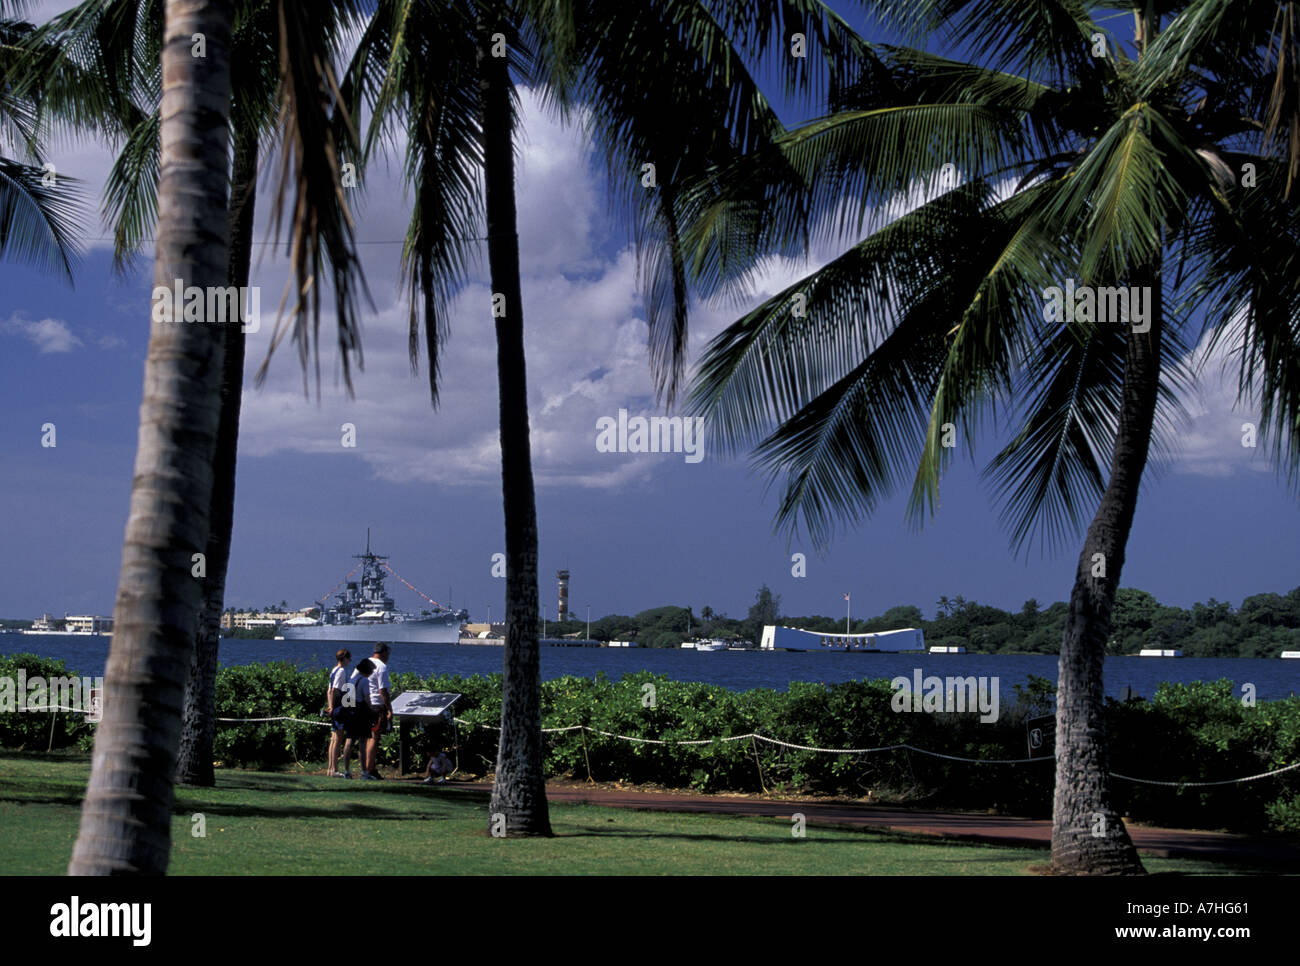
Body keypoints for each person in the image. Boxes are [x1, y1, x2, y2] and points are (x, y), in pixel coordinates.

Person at [341, 658, 375, 778]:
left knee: (349, 742)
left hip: (350, 713)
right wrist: (372, 710)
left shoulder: (352, 679)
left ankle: (346, 771)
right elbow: (367, 698)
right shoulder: (365, 680)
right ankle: (364, 771)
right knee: (362, 743)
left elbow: (347, 698)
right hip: (361, 714)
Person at [363, 643, 393, 780]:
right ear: (384, 653)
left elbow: (351, 683)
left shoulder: (363, 663)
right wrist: (389, 709)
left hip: (363, 705)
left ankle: (367, 768)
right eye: (388, 653)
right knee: (374, 738)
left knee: (366, 738)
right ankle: (370, 769)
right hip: (376, 706)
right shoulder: (381, 667)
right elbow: (383, 691)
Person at [326, 649, 352, 777]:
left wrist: (329, 705)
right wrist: (333, 706)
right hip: (339, 705)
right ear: (344, 658)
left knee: (333, 738)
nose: (350, 661)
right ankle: (334, 769)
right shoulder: (341, 671)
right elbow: (335, 690)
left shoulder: (333, 670)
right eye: (349, 658)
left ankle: (330, 768)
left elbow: (329, 690)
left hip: (334, 705)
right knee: (338, 738)